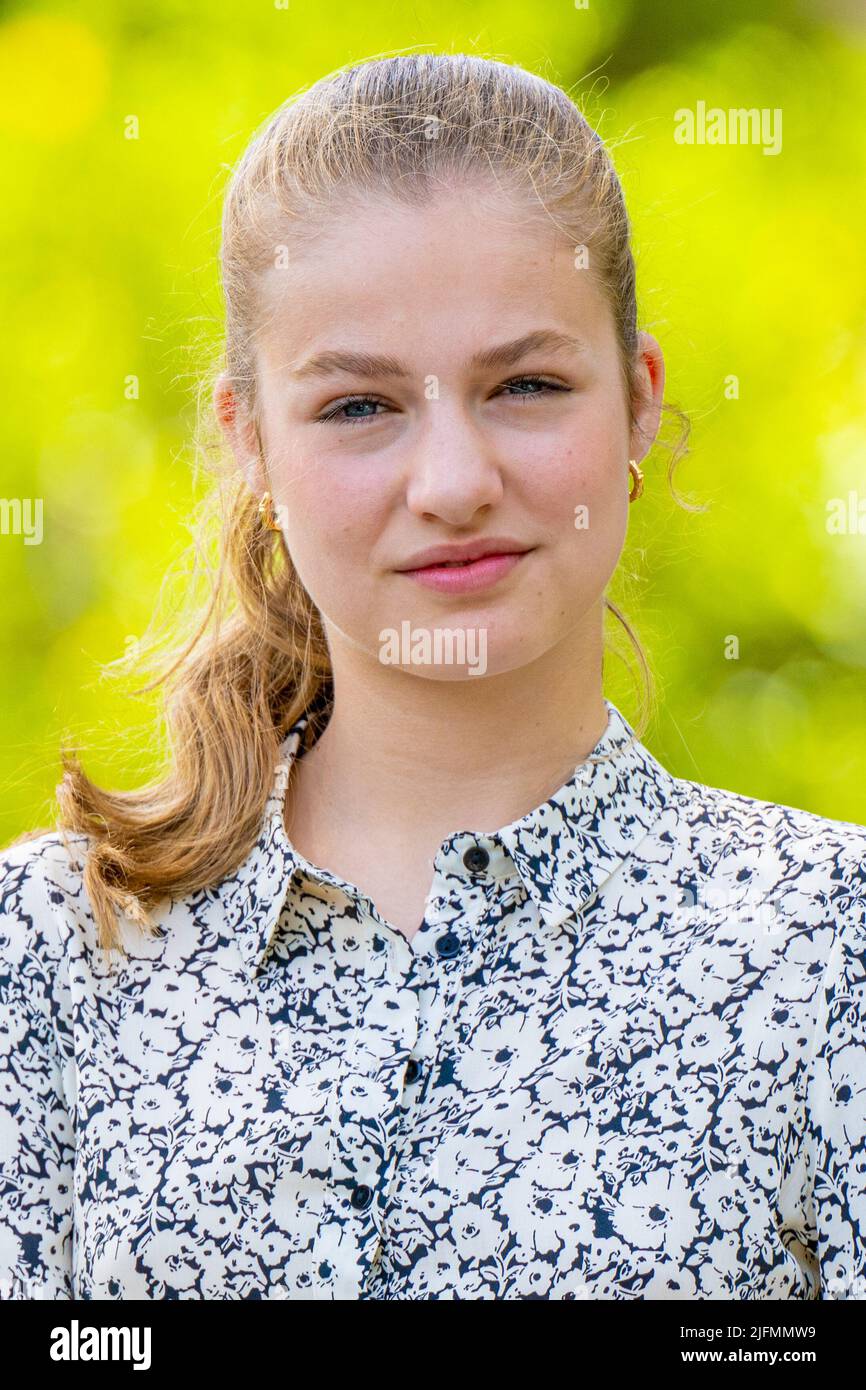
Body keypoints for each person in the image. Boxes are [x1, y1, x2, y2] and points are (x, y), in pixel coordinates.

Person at [1, 53, 865, 1302]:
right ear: (247, 441)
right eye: (359, 407)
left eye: (523, 385)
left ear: (634, 403)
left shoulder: (827, 952)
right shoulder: (50, 961)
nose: (452, 481)